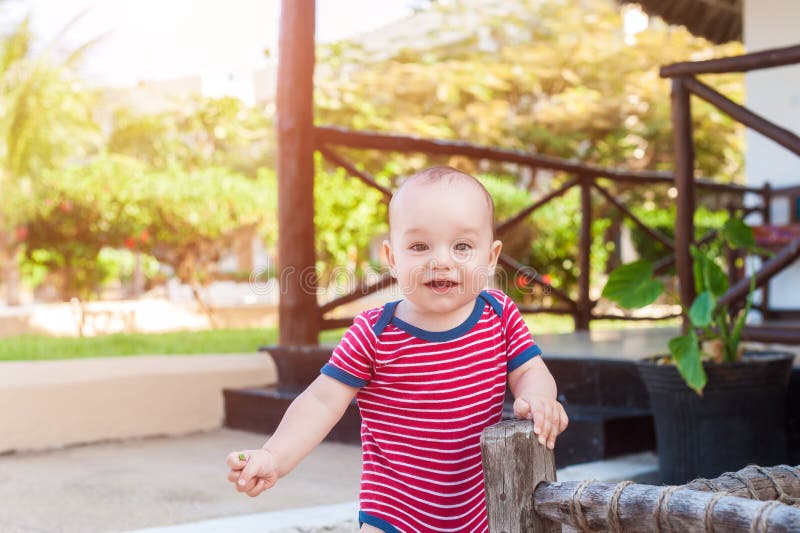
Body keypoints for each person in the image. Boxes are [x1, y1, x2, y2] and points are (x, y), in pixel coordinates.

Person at [226, 166, 568, 532]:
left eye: (462, 246)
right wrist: (274, 457)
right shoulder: (374, 333)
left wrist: (539, 399)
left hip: (479, 509)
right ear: (392, 258)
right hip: (392, 513)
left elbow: (530, 371)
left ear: (490, 256)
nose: (441, 261)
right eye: (419, 246)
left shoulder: (499, 315)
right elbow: (321, 401)